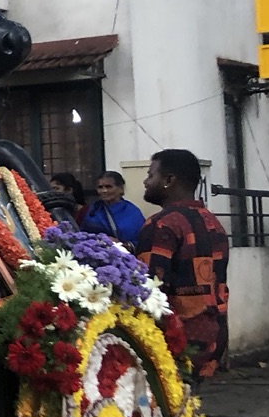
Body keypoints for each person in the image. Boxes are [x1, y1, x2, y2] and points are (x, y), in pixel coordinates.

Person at [137, 148, 231, 379]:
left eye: (151, 175)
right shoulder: (212, 222)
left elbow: (150, 290)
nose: (146, 181)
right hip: (213, 339)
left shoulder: (161, 224)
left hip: (174, 340)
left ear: (169, 180)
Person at [82, 170, 146, 247]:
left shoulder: (132, 212)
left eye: (108, 187)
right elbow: (83, 235)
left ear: (120, 188)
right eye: (100, 187)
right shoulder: (93, 210)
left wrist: (122, 245)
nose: (104, 191)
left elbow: (143, 241)